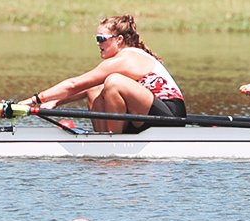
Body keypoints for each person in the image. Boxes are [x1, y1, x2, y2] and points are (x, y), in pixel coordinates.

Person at [17, 14, 185, 134]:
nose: (98, 44)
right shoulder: (120, 61)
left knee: (113, 82)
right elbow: (83, 87)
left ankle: (113, 142)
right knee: (95, 88)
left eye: (101, 39)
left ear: (119, 40)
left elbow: (74, 84)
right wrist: (56, 101)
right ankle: (103, 140)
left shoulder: (127, 58)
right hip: (145, 116)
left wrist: (32, 101)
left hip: (170, 116)